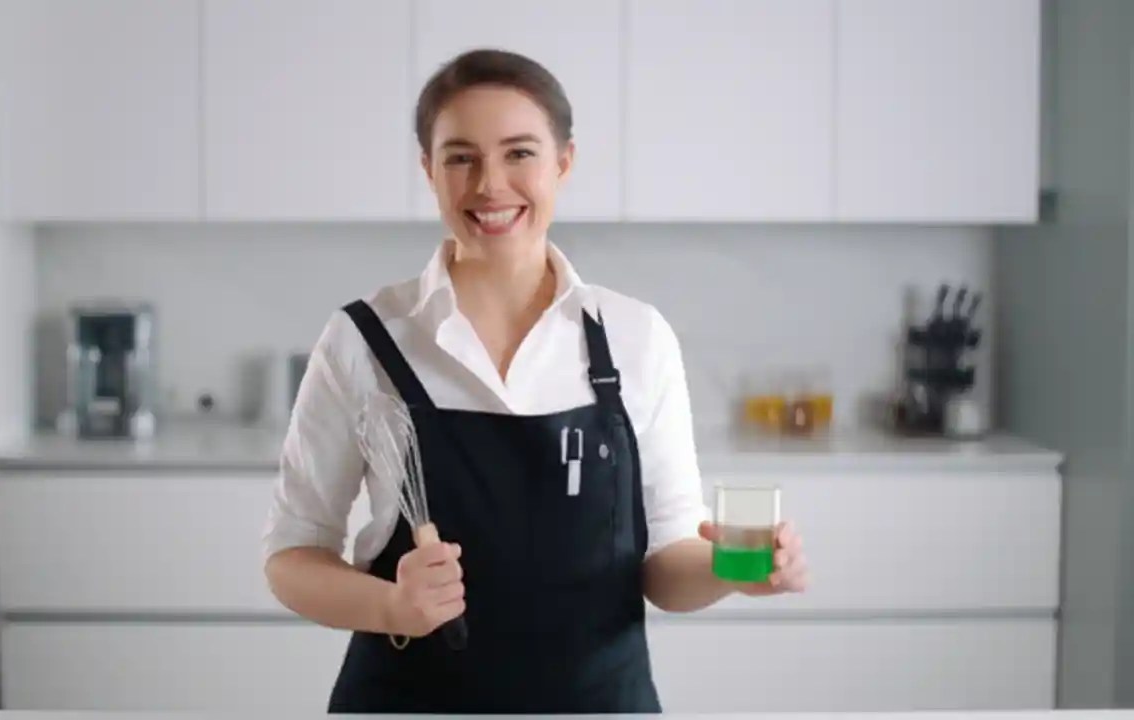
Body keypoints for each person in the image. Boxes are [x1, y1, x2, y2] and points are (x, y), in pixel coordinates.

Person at [262, 48, 807, 714]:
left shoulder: (636, 338)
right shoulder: (364, 339)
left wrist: (733, 570)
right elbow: (293, 556)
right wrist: (391, 606)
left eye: (519, 153)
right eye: (461, 157)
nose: (490, 184)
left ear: (563, 163)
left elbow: (667, 566)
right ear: (428, 169)